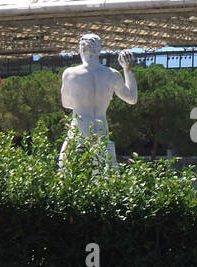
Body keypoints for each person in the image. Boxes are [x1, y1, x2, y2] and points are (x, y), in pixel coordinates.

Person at [58, 33, 138, 167]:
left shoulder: (70, 73)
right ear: (99, 50)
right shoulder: (112, 74)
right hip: (101, 127)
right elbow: (132, 98)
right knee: (104, 174)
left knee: (65, 168)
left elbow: (66, 103)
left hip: (79, 128)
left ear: (81, 49)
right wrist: (127, 70)